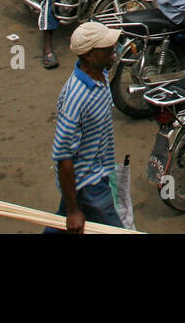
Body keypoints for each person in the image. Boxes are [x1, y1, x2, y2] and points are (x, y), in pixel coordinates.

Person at [47, 22, 124, 232]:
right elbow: (63, 157)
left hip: (100, 170)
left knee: (63, 223)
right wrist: (73, 210)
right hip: (88, 184)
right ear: (89, 55)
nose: (113, 52)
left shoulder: (102, 74)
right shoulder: (75, 99)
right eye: (108, 49)